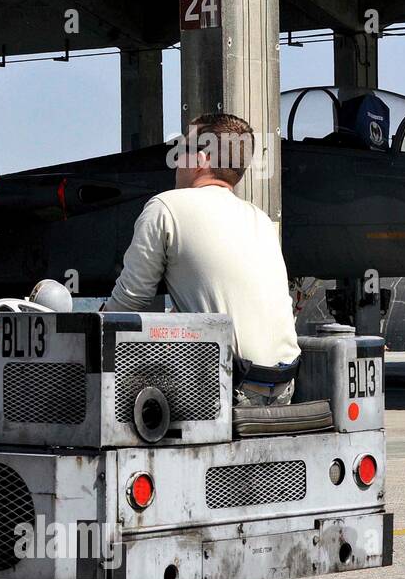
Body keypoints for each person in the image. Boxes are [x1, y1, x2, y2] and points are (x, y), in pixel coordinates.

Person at [105, 113, 301, 405]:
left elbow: (131, 298)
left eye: (180, 150)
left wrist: (94, 325)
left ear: (200, 159)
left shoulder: (167, 206)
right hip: (284, 385)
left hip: (231, 388)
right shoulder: (259, 219)